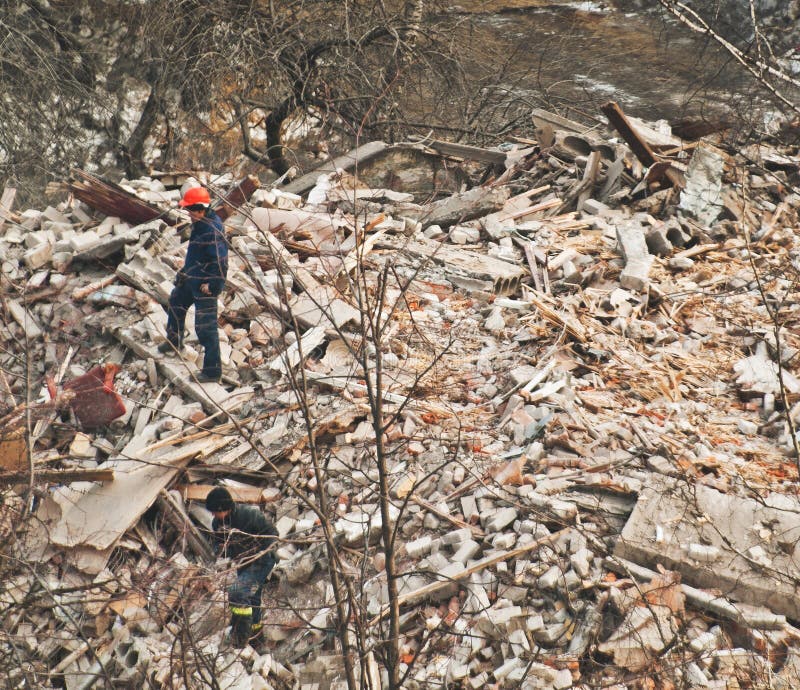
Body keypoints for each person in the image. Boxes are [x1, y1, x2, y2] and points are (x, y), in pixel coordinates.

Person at [158, 186, 228, 384]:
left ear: (200, 209)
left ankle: (212, 372)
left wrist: (213, 286)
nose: (187, 214)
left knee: (206, 328)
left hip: (205, 285)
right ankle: (173, 342)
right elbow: (196, 255)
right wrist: (184, 272)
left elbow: (221, 263)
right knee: (176, 302)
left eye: (189, 210)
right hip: (191, 278)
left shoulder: (212, 230)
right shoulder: (200, 223)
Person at [205, 486, 278, 649]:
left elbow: (273, 534)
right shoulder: (217, 523)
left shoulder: (250, 515)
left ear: (224, 508)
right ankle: (257, 637)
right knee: (252, 598)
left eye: (215, 511)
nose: (213, 515)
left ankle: (240, 637)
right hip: (243, 563)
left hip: (262, 561)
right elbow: (218, 546)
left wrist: (266, 550)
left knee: (237, 593)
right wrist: (222, 550)